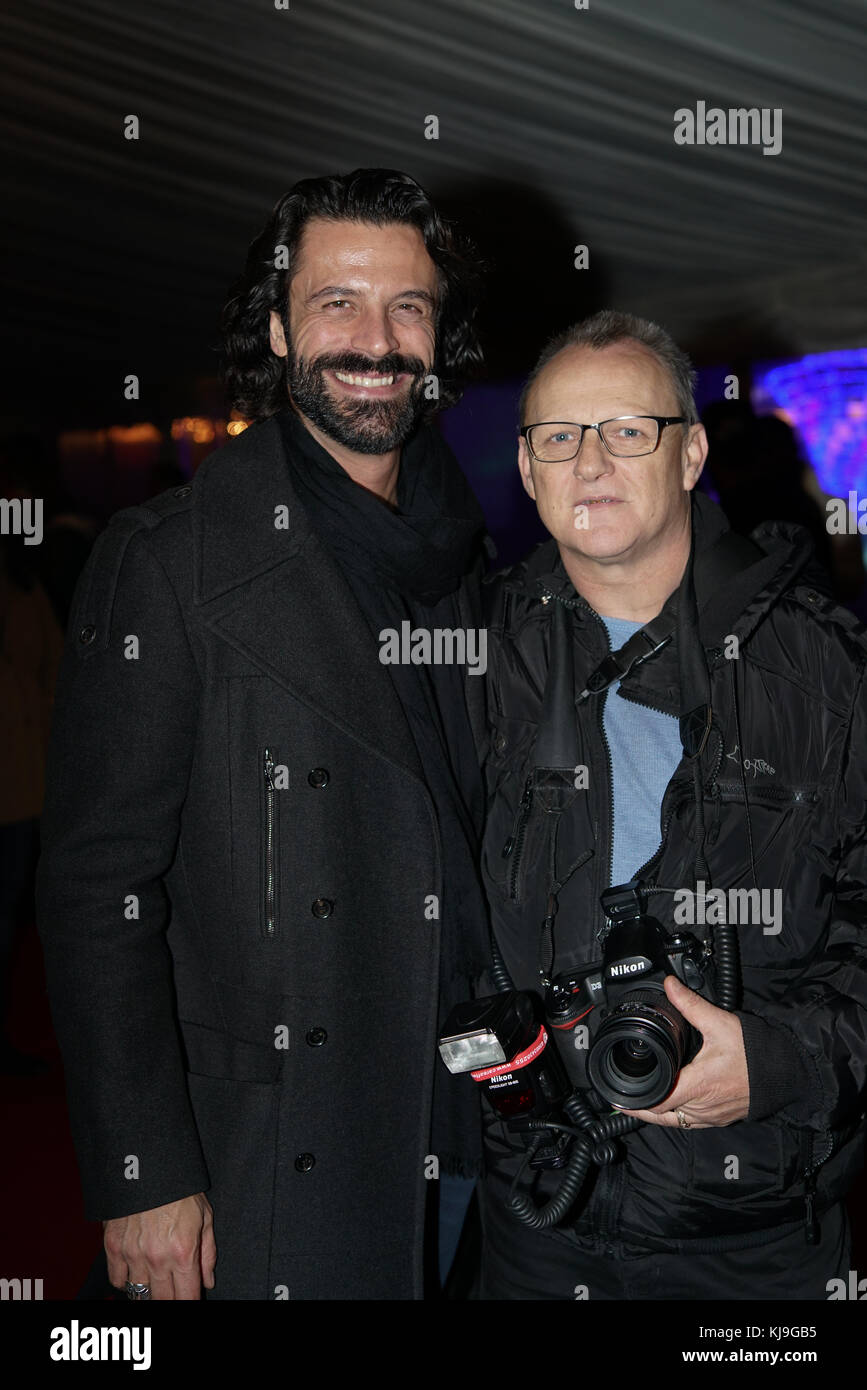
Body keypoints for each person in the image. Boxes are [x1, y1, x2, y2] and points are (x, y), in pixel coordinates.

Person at [36, 168, 493, 1300]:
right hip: (277, 1130)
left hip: (465, 1124)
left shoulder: (469, 557)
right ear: (280, 326)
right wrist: (141, 1172)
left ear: (439, 338)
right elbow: (99, 886)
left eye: (409, 307)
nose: (375, 340)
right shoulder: (171, 560)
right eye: (337, 302)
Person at [475, 309, 867, 1299]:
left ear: (690, 451)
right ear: (526, 470)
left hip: (755, 1236)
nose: (590, 461)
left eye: (627, 429)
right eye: (559, 437)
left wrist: (782, 1057)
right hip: (538, 1213)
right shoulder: (475, 658)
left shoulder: (826, 666)